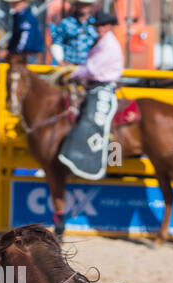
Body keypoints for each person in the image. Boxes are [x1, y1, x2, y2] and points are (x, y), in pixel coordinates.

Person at [54, 9, 122, 181]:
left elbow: (92, 68)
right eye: (98, 25)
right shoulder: (102, 42)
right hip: (94, 85)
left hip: (102, 87)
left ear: (109, 26)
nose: (100, 28)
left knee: (91, 119)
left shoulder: (108, 44)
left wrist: (72, 71)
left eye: (103, 25)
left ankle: (87, 159)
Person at [49, 0, 97, 66]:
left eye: (86, 4)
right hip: (69, 65)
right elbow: (57, 43)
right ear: (76, 5)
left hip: (89, 67)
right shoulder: (66, 23)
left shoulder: (95, 23)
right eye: (81, 4)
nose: (84, 6)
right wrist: (60, 61)